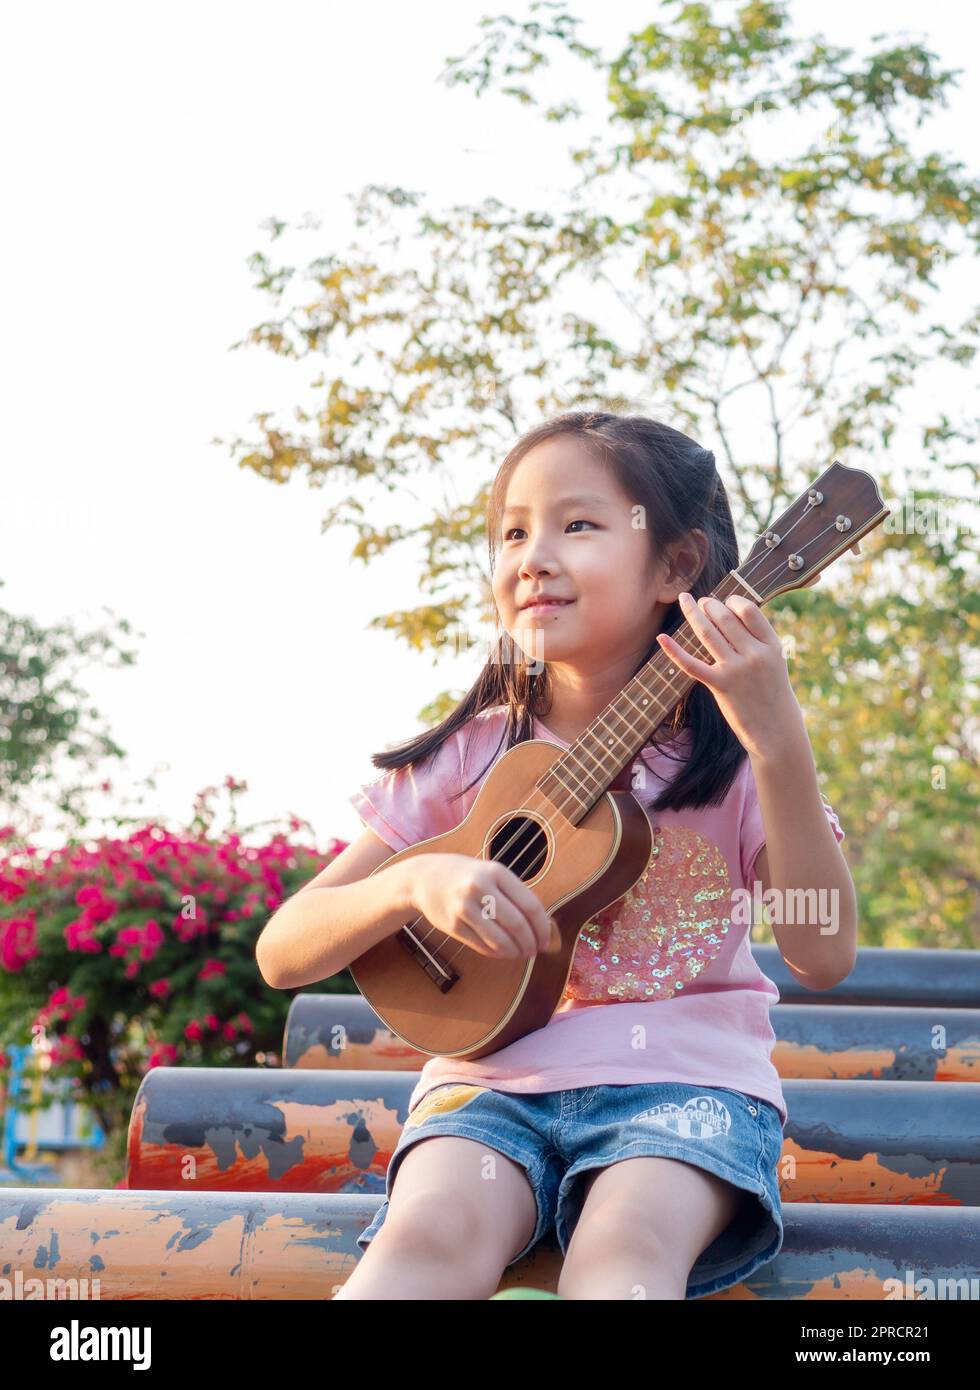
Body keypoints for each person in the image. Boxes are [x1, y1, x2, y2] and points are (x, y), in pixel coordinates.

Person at [256, 410, 857, 1300]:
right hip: (488, 1087)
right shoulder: (472, 757)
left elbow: (824, 951)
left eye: (577, 525)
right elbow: (284, 950)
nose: (533, 555)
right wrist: (413, 880)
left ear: (678, 565)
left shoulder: (731, 765)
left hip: (681, 1091)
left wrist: (780, 748)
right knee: (424, 1240)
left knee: (623, 1251)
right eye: (511, 532)